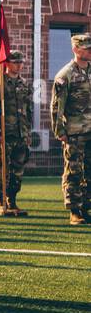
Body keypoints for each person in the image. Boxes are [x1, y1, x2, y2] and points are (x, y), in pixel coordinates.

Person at [0, 52, 34, 217]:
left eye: (21, 62)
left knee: (17, 169)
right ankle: (2, 201)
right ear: (6, 63)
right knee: (1, 168)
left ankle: (12, 201)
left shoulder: (24, 84)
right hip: (4, 133)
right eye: (15, 62)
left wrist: (28, 132)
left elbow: (28, 109)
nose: (18, 65)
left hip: (20, 133)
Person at [50, 32, 91, 226]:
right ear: (75, 49)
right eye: (86, 48)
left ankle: (86, 207)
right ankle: (74, 210)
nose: (90, 51)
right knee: (74, 171)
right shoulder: (65, 75)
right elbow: (57, 106)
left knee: (89, 171)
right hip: (75, 131)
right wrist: (60, 131)